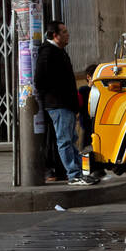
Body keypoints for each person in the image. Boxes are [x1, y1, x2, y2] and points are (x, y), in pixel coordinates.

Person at [36, 21, 95, 185]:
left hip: (67, 105)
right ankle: (74, 174)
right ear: (55, 35)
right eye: (64, 32)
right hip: (59, 105)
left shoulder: (60, 52)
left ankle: (79, 173)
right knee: (65, 141)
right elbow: (40, 81)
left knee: (71, 139)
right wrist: (56, 96)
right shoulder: (48, 53)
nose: (67, 34)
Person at [77, 63, 96, 149]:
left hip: (96, 125)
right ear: (89, 77)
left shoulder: (102, 91)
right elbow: (78, 106)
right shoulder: (83, 90)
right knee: (85, 147)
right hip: (85, 123)